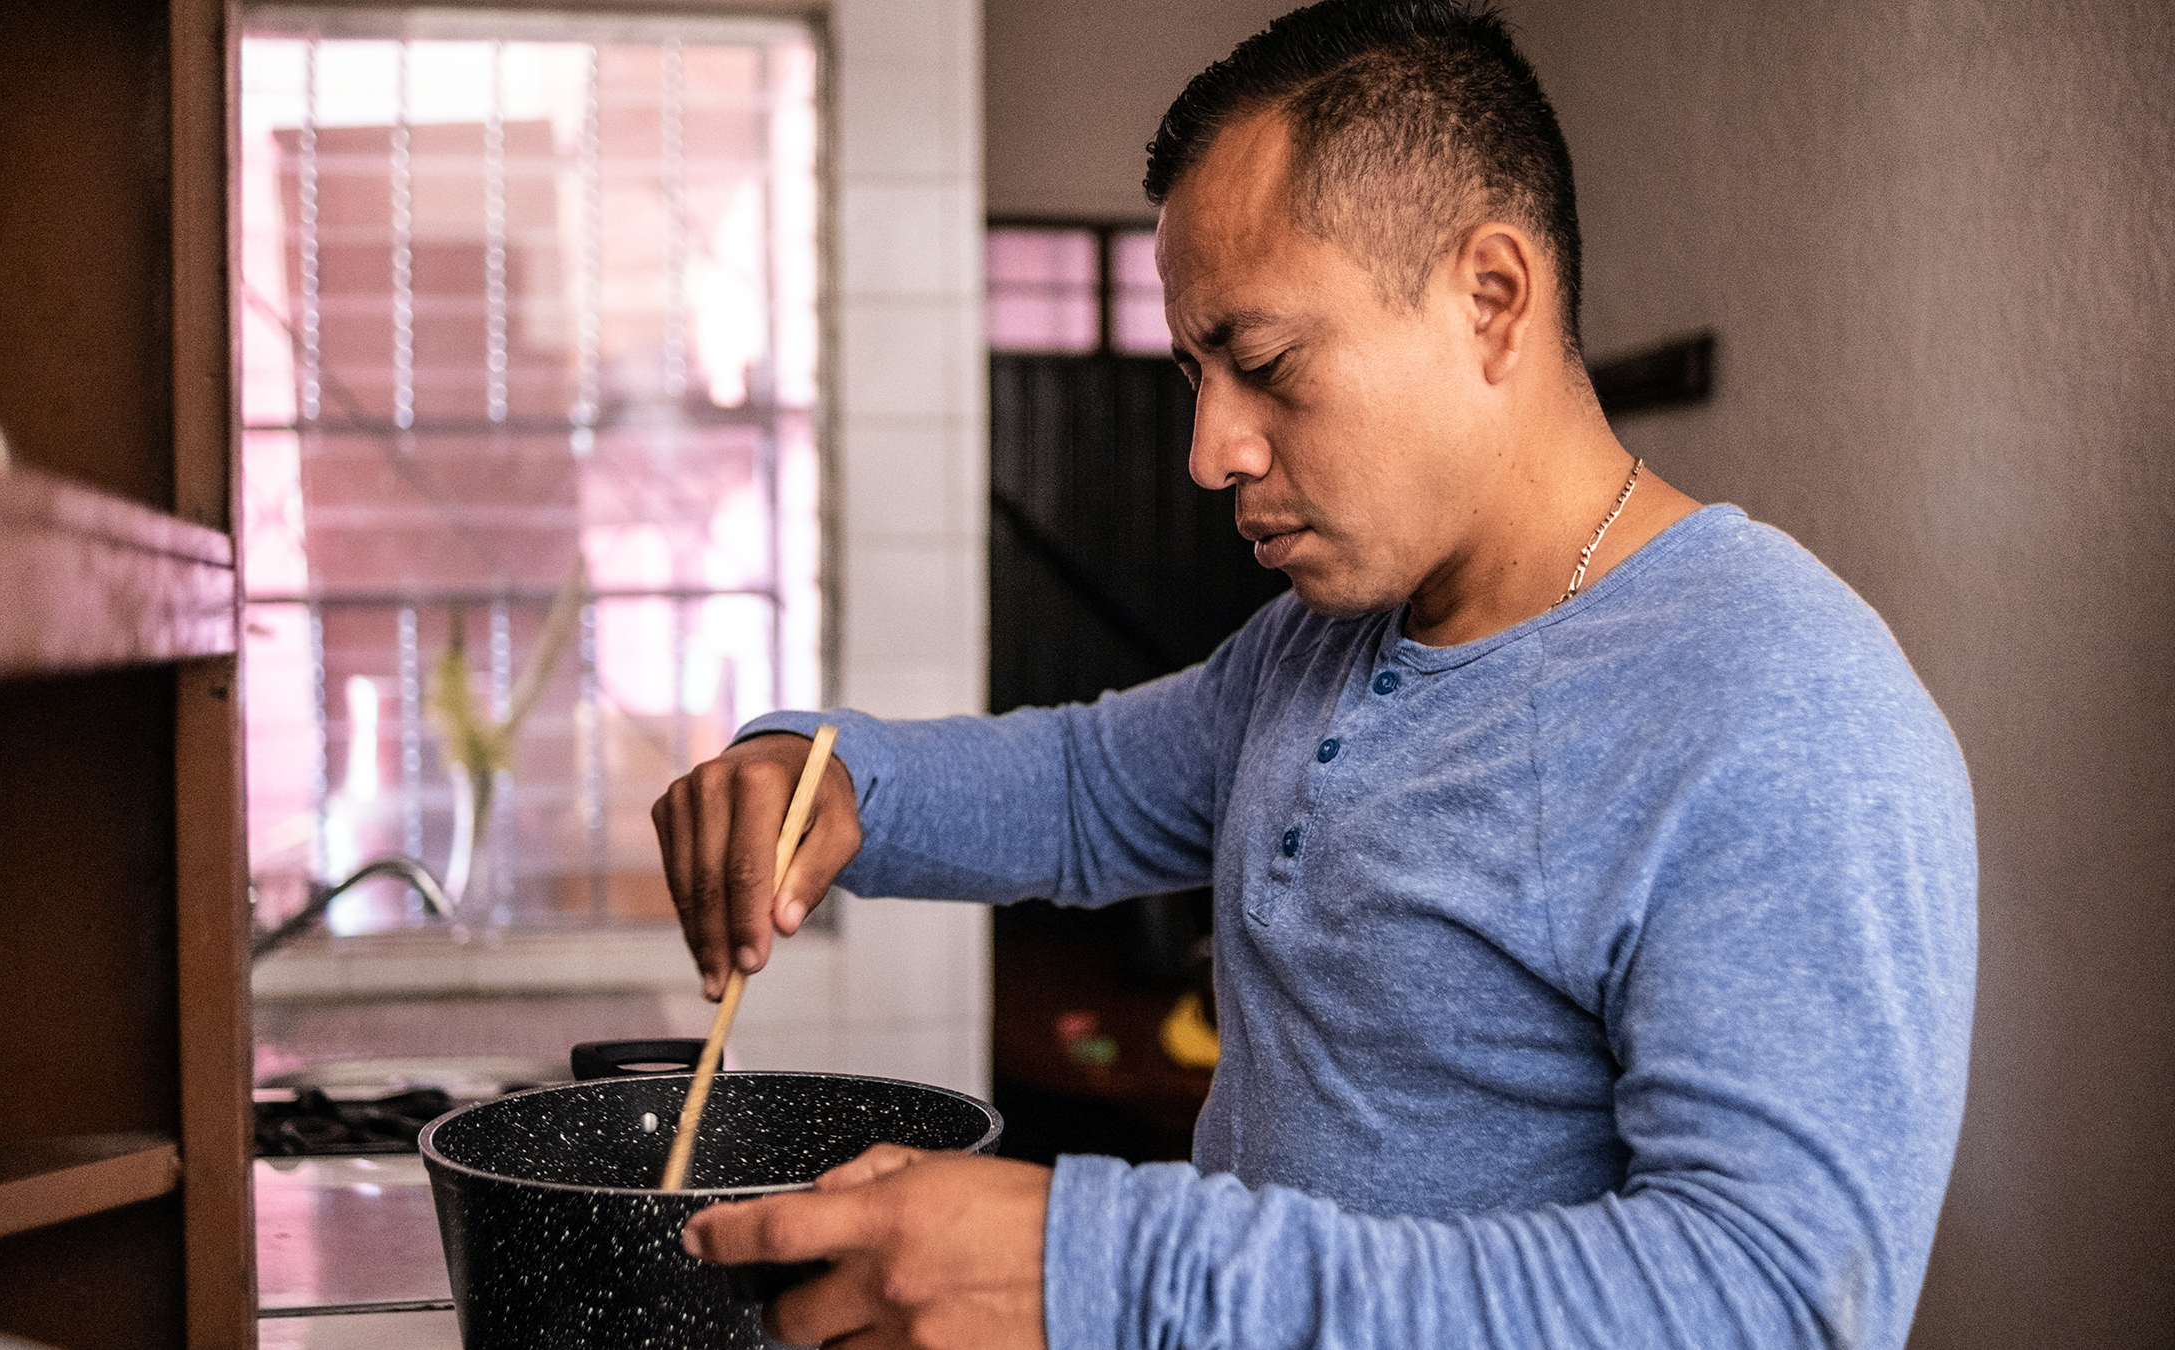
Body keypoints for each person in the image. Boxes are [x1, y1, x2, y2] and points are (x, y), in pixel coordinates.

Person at [651, 2, 1977, 1346]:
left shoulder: (1781, 705)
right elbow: (1083, 785)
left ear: (1490, 301)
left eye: (1266, 362)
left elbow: (1769, 1302)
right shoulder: (1327, 640)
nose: (1210, 450)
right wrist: (827, 771)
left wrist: (1106, 1273)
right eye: (1195, 373)